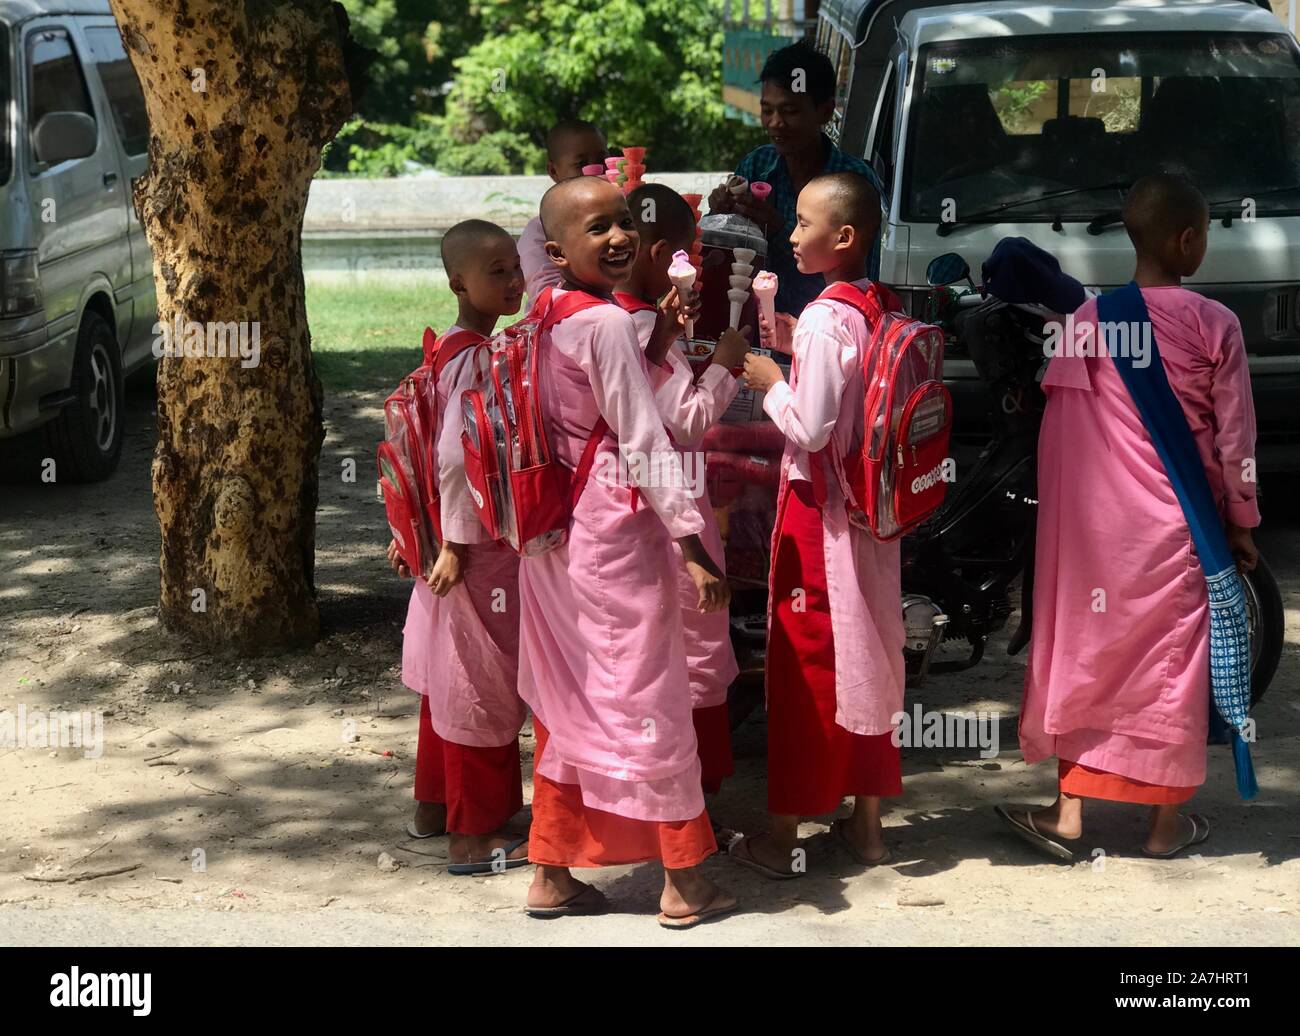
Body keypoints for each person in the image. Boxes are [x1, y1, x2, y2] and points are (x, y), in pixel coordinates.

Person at [998, 173, 1260, 860]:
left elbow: (1062, 437)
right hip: (1176, 534)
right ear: (1188, 241)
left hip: (1094, 536)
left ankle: (1069, 813)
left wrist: (1065, 536)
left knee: (1088, 654)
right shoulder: (1215, 324)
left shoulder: (1087, 323)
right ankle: (1164, 827)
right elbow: (1236, 442)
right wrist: (1241, 521)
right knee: (1170, 669)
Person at [518, 176, 738, 928]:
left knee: (570, 697)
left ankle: (550, 871)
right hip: (611, 534)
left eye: (623, 223)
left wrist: (665, 337)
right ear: (556, 251)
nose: (619, 238)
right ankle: (683, 879)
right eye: (598, 229)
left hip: (549, 534)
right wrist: (695, 548)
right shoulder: (608, 326)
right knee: (649, 698)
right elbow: (644, 441)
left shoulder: (547, 309)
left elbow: (600, 397)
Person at [730, 172, 906, 878]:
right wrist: (791, 343)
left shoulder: (832, 317)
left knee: (807, 672)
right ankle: (865, 828)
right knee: (870, 658)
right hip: (871, 513)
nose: (792, 234)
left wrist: (771, 384)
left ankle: (779, 838)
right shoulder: (867, 305)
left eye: (803, 224)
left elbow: (810, 426)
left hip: (821, 518)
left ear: (844, 238)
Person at [392, 219, 530, 874]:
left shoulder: (448, 348)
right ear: (458, 282)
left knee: (449, 675)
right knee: (483, 682)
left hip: (449, 542)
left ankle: (433, 806)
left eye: (514, 267)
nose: (512, 280)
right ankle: (474, 835)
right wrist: (453, 545)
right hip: (474, 547)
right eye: (495, 270)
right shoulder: (478, 356)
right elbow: (453, 454)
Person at [616, 183, 750, 804]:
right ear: (665, 252)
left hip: (626, 511)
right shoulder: (636, 324)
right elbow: (687, 419)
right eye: (688, 255)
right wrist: (725, 362)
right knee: (695, 644)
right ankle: (698, 794)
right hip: (674, 515)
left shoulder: (617, 319)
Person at [708, 40, 885, 318]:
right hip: (755, 332)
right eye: (767, 110)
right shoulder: (756, 164)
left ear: (825, 111)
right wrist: (719, 216)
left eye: (790, 111)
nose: (775, 122)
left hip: (827, 332)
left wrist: (779, 228)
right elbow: (719, 258)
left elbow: (860, 287)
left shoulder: (854, 182)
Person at [519, 119, 608, 302]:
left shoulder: (622, 219)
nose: (594, 171)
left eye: (602, 160)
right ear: (553, 171)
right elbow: (545, 295)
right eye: (581, 163)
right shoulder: (540, 230)